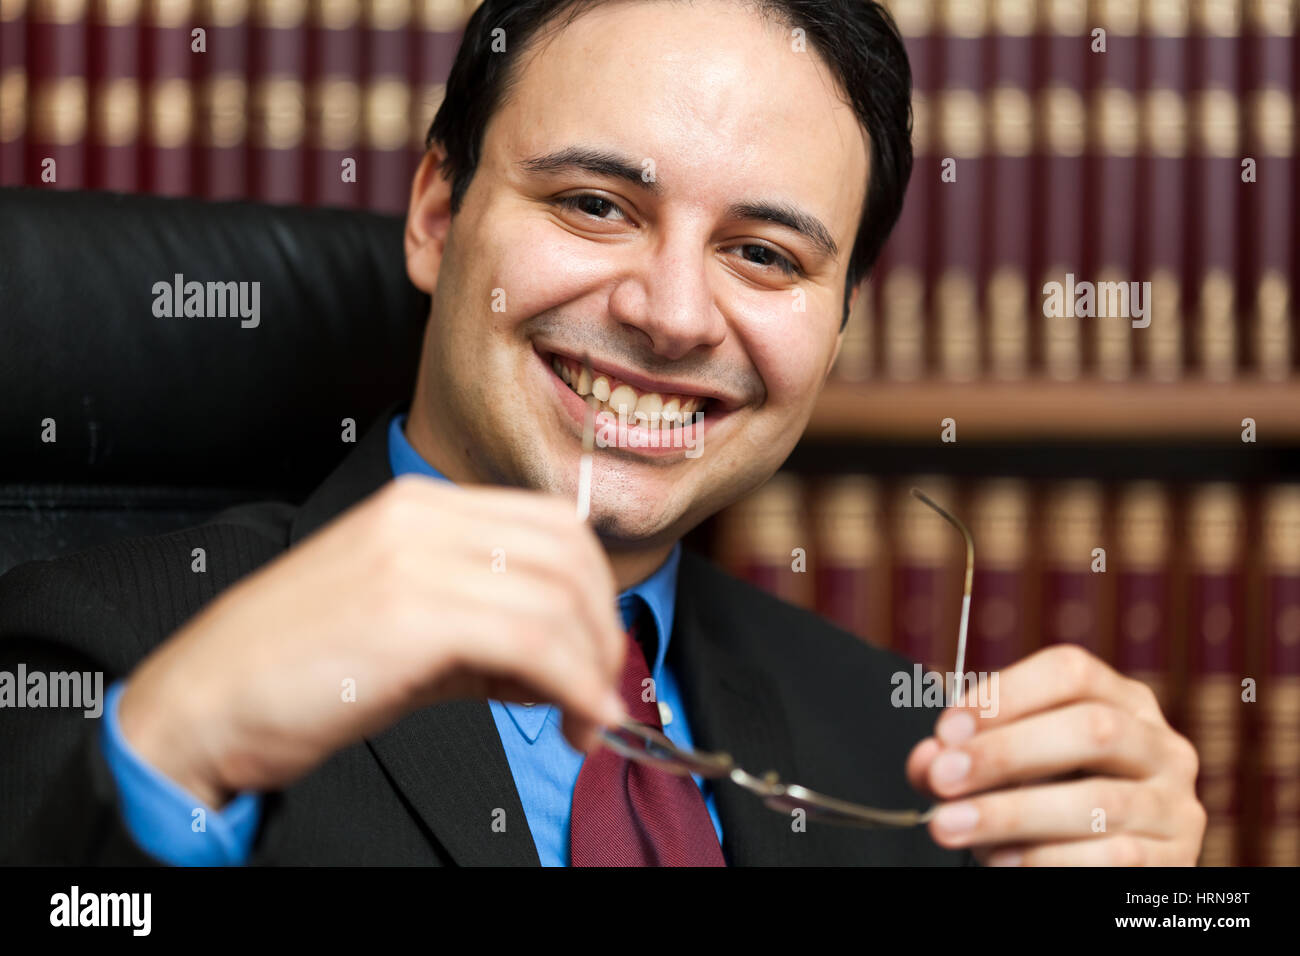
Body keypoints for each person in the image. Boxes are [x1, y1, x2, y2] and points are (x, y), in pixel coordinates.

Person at [0, 0, 1205, 866]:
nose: (672, 315)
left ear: (836, 330)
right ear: (436, 213)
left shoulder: (904, 741)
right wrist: (169, 757)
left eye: (763, 254)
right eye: (593, 205)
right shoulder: (104, 660)